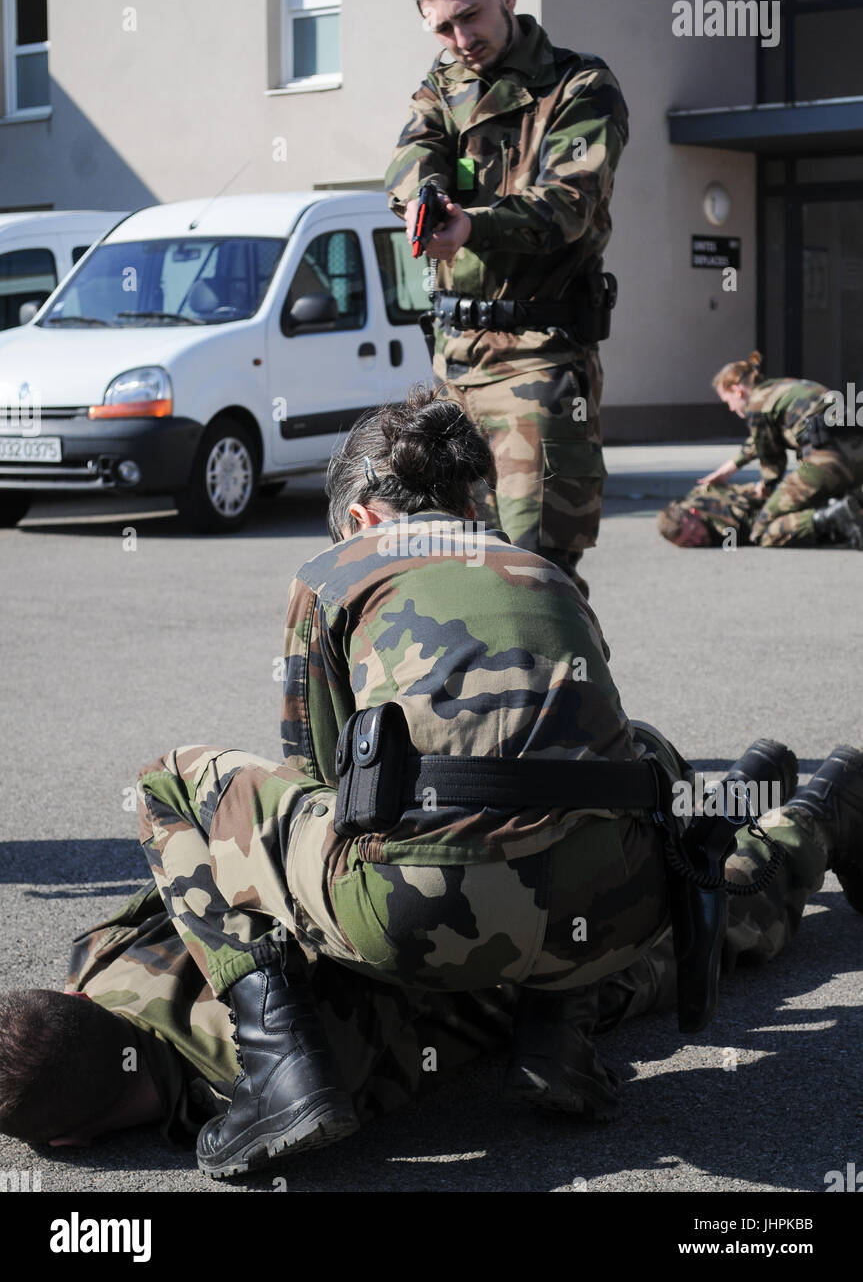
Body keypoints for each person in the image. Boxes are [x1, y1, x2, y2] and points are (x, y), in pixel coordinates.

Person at [3, 389, 863, 1179]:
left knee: (178, 784)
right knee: (650, 800)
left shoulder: (337, 575)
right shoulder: (540, 571)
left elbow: (324, 776)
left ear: (366, 513)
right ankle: (773, 808)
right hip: (608, 903)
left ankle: (801, 812)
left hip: (440, 935)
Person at [384, 0, 629, 598]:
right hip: (451, 366)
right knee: (445, 568)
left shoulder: (579, 85)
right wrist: (427, 200)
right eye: (442, 27)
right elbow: (412, 156)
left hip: (537, 362)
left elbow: (568, 205)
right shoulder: (443, 84)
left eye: (472, 16)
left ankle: (574, 701)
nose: (460, 39)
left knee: (534, 575)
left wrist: (473, 227)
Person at [699, 351, 863, 548]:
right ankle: (846, 508)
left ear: (737, 390)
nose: (731, 409)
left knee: (763, 529)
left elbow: (771, 456)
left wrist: (766, 486)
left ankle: (835, 516)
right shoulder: (786, 387)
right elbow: (758, 442)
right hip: (857, 454)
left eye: (728, 401)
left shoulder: (757, 404)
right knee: (828, 497)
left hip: (828, 462)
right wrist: (727, 470)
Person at [657, 482, 762, 548]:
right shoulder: (683, 513)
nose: (697, 540)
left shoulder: (717, 509)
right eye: (687, 542)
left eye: (694, 532)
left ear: (695, 513)